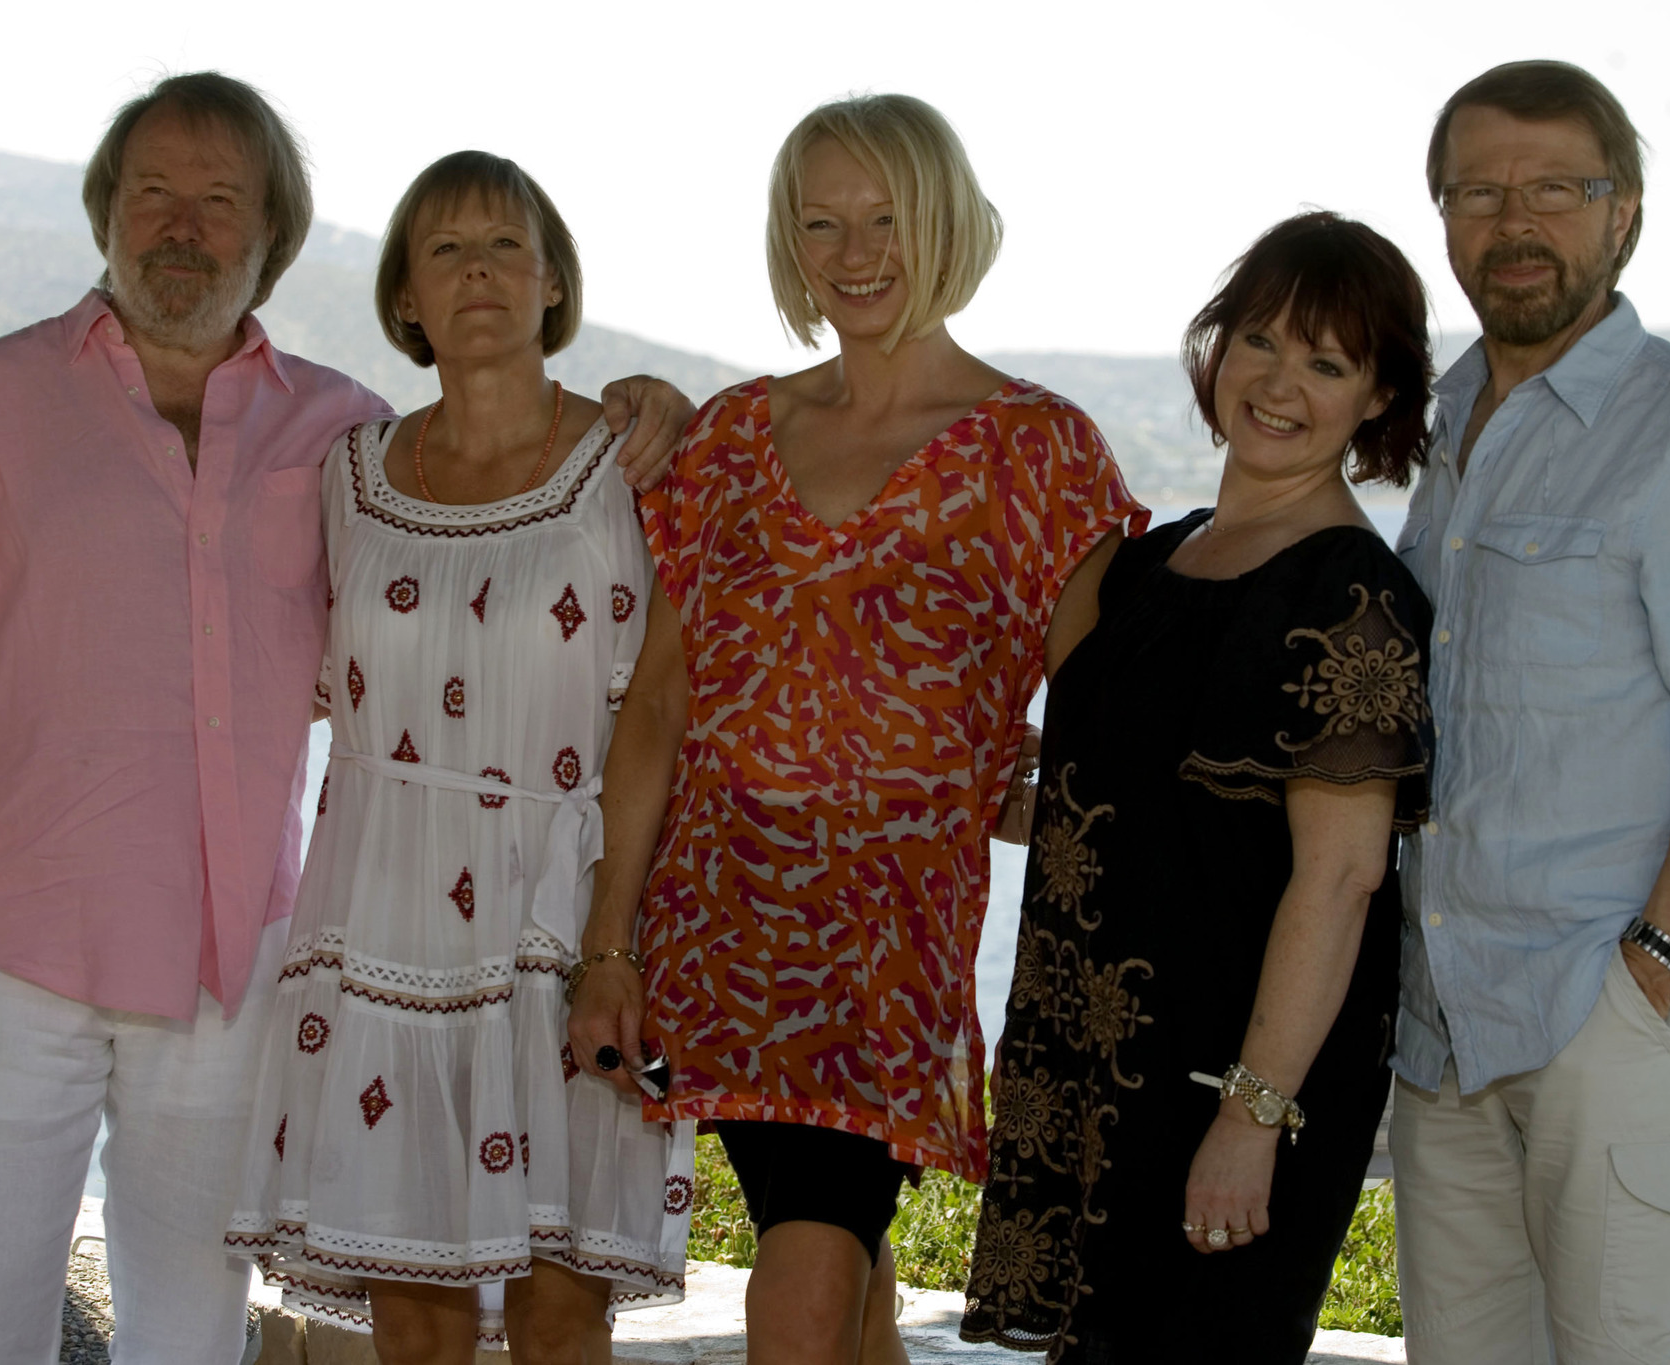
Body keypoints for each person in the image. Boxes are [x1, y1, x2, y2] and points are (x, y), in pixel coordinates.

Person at [0, 74, 689, 1365]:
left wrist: (645, 401)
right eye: (154, 193)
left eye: (220, 200)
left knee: (193, 1333)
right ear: (106, 214)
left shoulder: (341, 431)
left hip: (238, 964)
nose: (182, 226)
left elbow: (491, 548)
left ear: (271, 236)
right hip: (21, 942)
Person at [568, 94, 1147, 1365]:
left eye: (883, 217)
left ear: (943, 222)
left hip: (888, 939)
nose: (852, 251)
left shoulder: (1039, 452)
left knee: (811, 1270)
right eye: (819, 221)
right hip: (720, 922)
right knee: (834, 1253)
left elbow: (1107, 721)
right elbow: (659, 706)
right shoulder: (727, 438)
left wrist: (1010, 781)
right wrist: (606, 947)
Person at [223, 150, 692, 1365]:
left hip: (564, 909)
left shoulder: (634, 466)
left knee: (556, 1300)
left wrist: (614, 944)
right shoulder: (350, 475)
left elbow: (655, 722)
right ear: (405, 301)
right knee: (409, 1300)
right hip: (381, 913)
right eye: (444, 249)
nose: (477, 269)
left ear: (551, 282)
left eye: (504, 245)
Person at [1388, 61, 1670, 1365]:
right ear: (1445, 218)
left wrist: (1653, 971)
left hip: (1608, 1019)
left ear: (1622, 212)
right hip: (1441, 1028)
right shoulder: (1443, 420)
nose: (1515, 222)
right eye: (1479, 191)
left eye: (1556, 189)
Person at [960, 212, 1436, 1364]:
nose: (1278, 383)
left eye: (1325, 363)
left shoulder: (1348, 596)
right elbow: (1112, 803)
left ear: (1375, 399)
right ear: (1213, 347)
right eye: (1259, 341)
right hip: (1095, 1081)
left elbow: (1341, 878)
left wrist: (1248, 1114)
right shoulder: (1138, 567)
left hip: (1229, 1091)